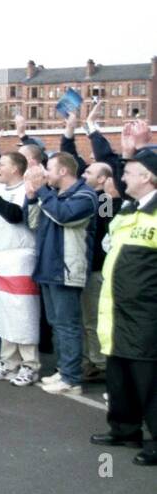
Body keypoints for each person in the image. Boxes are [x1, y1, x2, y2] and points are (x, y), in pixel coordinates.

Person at [90, 151, 157, 465]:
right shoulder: (129, 209)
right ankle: (124, 429)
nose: (123, 177)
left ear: (147, 177)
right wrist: (126, 155)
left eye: (129, 171)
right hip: (116, 308)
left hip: (146, 311)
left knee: (149, 379)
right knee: (119, 374)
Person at [25, 152, 96, 396]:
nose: (46, 175)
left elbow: (64, 216)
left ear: (63, 171)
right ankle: (63, 369)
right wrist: (32, 197)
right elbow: (33, 223)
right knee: (57, 323)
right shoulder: (52, 196)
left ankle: (72, 378)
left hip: (66, 269)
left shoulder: (86, 195)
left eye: (50, 170)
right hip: (47, 267)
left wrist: (42, 191)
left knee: (68, 325)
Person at [0, 152, 41, 386]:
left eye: (2, 164)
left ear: (16, 168)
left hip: (20, 259)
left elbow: (15, 216)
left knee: (22, 314)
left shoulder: (27, 190)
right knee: (1, 314)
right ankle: (8, 361)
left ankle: (30, 364)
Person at [79, 161, 118, 382]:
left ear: (102, 179)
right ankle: (89, 360)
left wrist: (112, 199)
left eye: (89, 172)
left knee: (92, 319)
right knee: (84, 319)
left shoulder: (104, 199)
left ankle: (99, 362)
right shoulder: (88, 197)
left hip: (96, 268)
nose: (84, 175)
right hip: (85, 266)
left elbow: (107, 227)